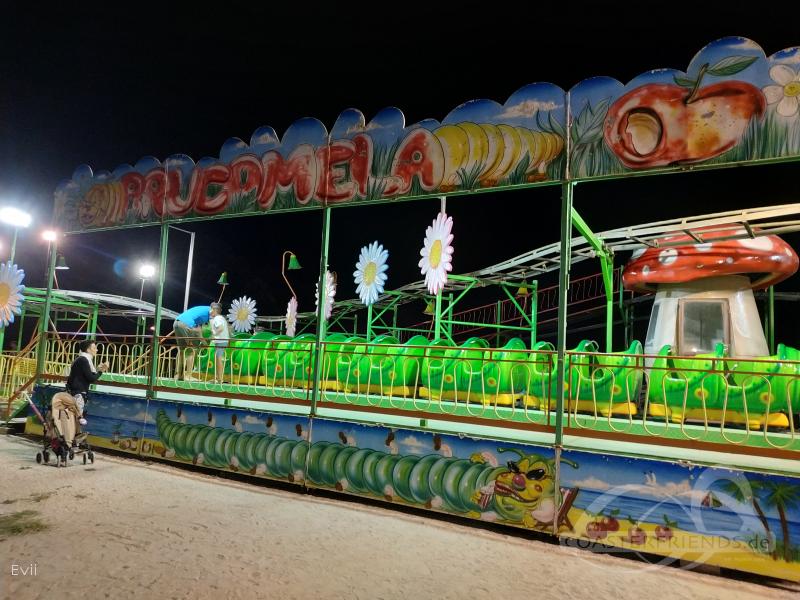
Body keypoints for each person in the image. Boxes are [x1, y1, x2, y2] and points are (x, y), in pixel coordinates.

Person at [65, 339, 109, 427]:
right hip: (78, 393)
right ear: (88, 350)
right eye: (94, 348)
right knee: (75, 418)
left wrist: (97, 370)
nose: (96, 350)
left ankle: (68, 437)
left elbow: (86, 375)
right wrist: (101, 371)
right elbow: (91, 378)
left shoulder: (81, 359)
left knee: (72, 417)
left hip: (74, 391)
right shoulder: (84, 360)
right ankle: (69, 438)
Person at [173, 305, 211, 381]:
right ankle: (188, 376)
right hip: (186, 324)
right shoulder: (211, 313)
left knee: (182, 351)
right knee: (191, 351)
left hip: (176, 322)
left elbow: (198, 330)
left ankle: (178, 376)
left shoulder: (202, 310)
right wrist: (206, 344)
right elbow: (199, 332)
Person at [209, 302, 229, 383]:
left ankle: (219, 379)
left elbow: (220, 328)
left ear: (214, 310)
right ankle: (218, 378)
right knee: (218, 359)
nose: (209, 311)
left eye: (210, 310)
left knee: (218, 359)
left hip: (221, 341)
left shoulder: (217, 318)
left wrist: (213, 334)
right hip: (222, 341)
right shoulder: (220, 318)